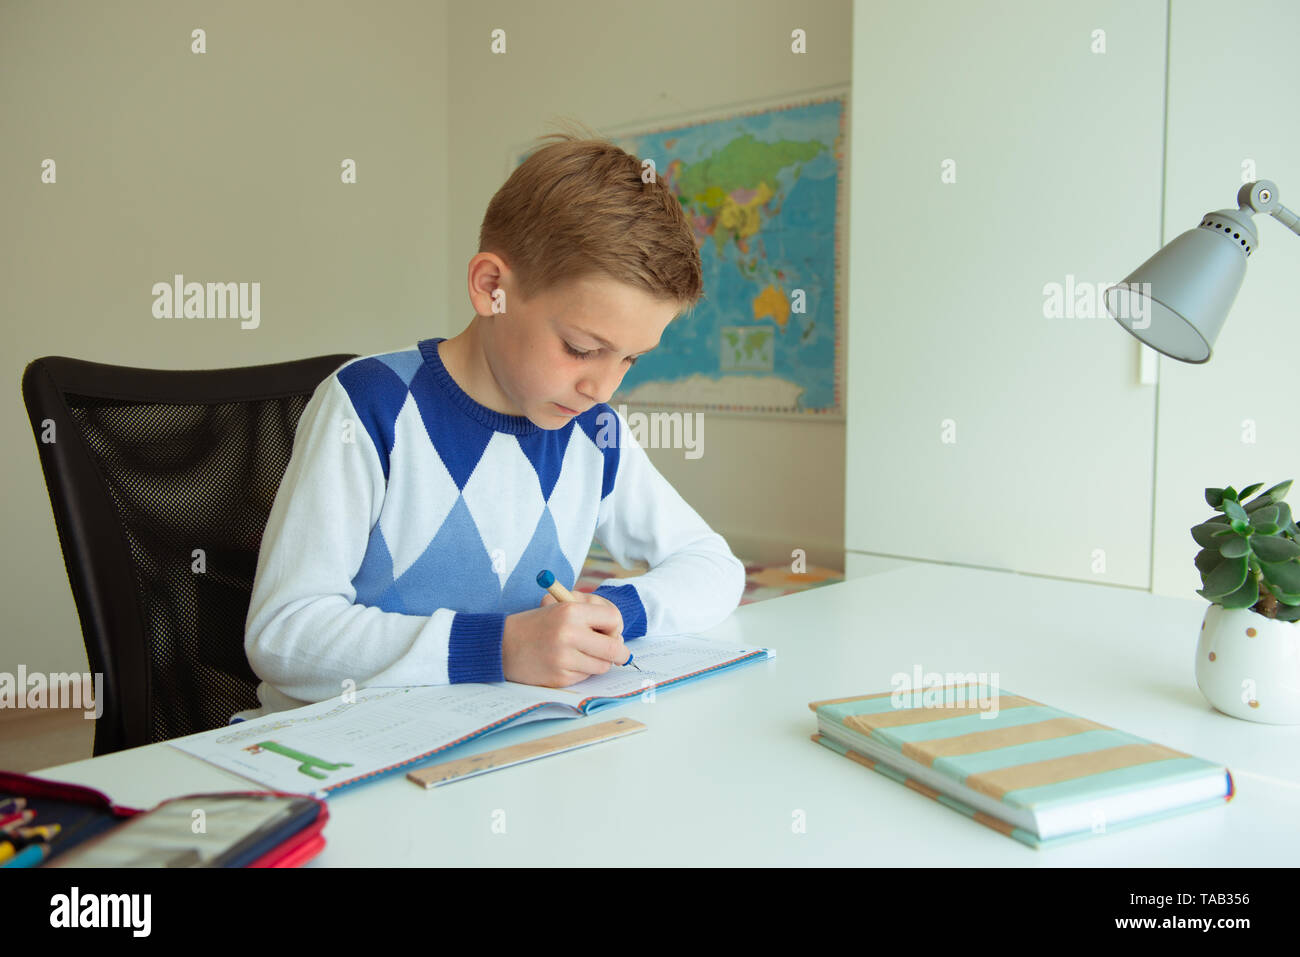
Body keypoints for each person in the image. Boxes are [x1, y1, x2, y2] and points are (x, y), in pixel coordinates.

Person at [236, 128, 746, 719]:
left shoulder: (593, 432)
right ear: (492, 288)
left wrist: (616, 613)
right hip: (341, 746)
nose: (603, 388)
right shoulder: (369, 404)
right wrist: (497, 648)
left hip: (492, 743)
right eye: (582, 348)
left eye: (630, 359)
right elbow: (284, 635)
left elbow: (713, 568)